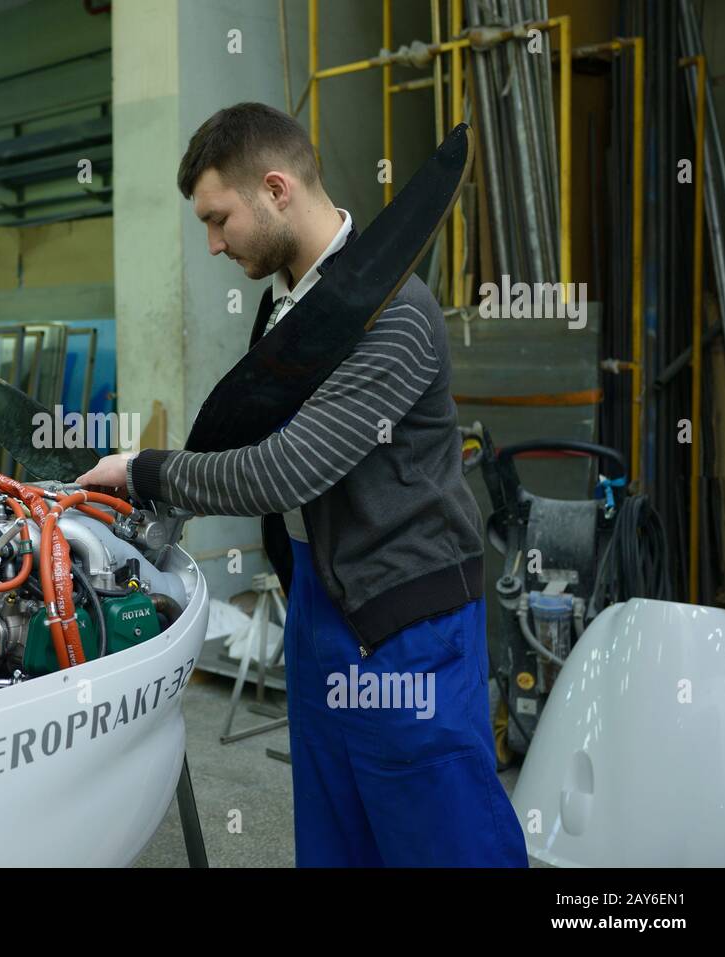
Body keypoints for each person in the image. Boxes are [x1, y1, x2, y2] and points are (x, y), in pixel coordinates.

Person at [76, 102, 527, 867]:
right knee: (336, 835)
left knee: (439, 836)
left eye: (220, 220)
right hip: (323, 606)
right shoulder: (290, 302)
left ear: (276, 189)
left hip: (403, 620)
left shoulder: (394, 315)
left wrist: (145, 468)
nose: (214, 244)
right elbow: (255, 432)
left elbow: (287, 467)